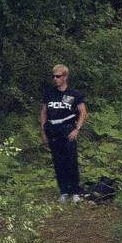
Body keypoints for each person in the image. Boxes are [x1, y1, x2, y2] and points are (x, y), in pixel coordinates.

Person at [40, 64, 87, 202]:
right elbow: (43, 112)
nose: (55, 79)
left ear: (65, 77)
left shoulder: (74, 94)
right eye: (53, 76)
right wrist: (43, 131)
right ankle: (64, 191)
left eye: (58, 76)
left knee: (70, 161)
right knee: (58, 161)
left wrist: (76, 129)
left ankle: (75, 191)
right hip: (53, 131)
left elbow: (83, 113)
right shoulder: (49, 93)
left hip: (68, 130)